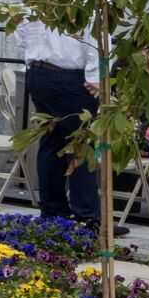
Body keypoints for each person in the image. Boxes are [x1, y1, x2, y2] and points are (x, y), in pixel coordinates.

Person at [13, 18, 103, 229]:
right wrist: (94, 75)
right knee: (80, 145)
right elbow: (97, 35)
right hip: (68, 76)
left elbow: (20, 31)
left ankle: (53, 212)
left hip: (37, 72)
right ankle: (86, 217)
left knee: (51, 143)